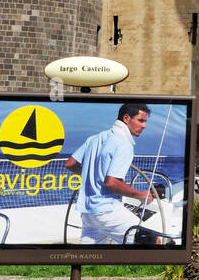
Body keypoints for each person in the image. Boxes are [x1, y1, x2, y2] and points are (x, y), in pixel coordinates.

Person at [63, 102, 155, 245]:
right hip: (107, 211)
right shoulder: (124, 143)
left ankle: (77, 268)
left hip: (89, 213)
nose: (144, 126)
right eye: (141, 120)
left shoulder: (94, 139)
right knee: (147, 241)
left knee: (87, 257)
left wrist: (92, 172)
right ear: (126, 118)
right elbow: (112, 182)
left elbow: (70, 164)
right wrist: (140, 195)